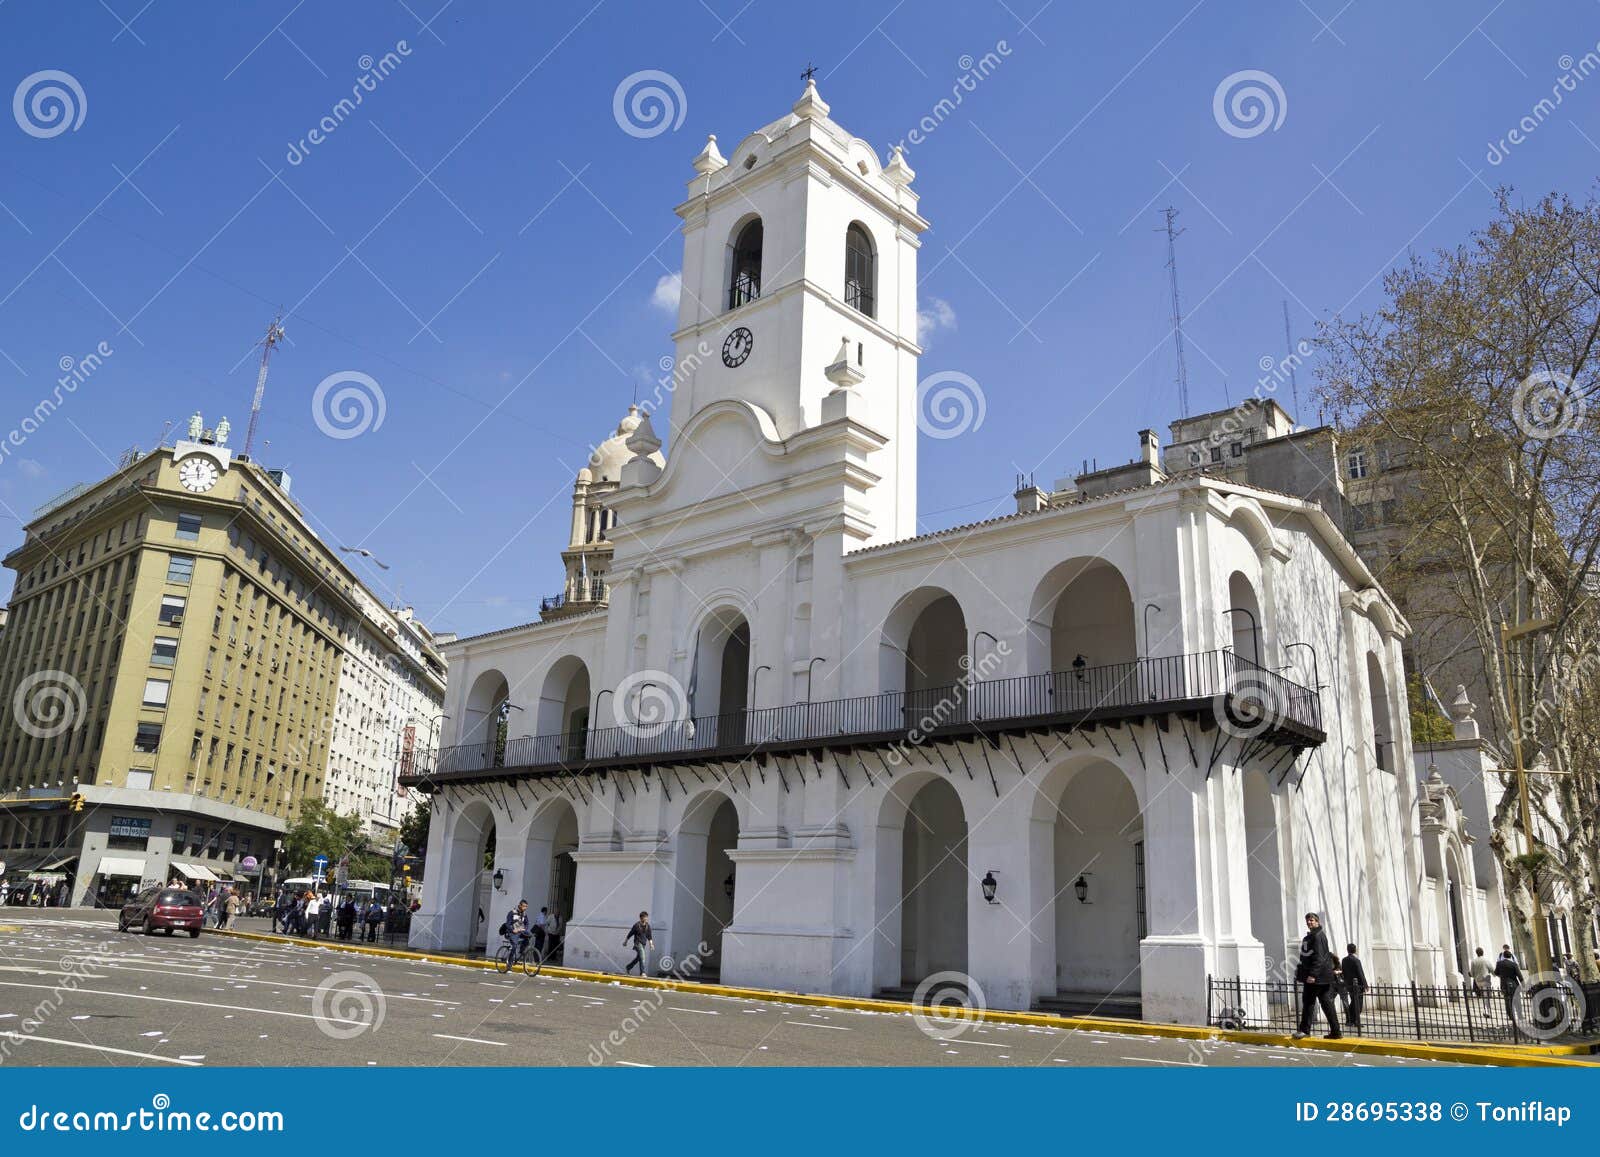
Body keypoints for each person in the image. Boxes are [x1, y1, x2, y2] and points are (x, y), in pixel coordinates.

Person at [1292, 912, 1342, 1040]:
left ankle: (1304, 1030)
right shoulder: (1314, 936)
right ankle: (1336, 1032)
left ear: (1317, 922)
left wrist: (1313, 974)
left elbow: (1319, 958)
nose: (1309, 922)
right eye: (1308, 920)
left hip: (1316, 977)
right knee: (1326, 1003)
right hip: (1322, 976)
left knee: (1308, 1002)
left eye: (1312, 920)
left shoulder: (1317, 936)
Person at [1339, 943, 1368, 1033]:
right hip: (1357, 985)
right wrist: (1365, 985)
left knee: (1353, 1002)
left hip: (1349, 985)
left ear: (1348, 950)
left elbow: (1343, 973)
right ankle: (1355, 1021)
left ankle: (1350, 1020)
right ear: (1355, 950)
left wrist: (1346, 982)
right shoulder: (1356, 960)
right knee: (1358, 1004)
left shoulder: (1344, 960)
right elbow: (1360, 973)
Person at [1494, 945, 1524, 1020]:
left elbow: (1496, 972)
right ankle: (1520, 1015)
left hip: (1504, 984)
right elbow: (1519, 975)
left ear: (1503, 955)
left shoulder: (1499, 964)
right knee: (1517, 1000)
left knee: (1507, 1000)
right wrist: (1523, 984)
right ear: (1511, 956)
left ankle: (1510, 1015)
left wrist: (1502, 975)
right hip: (1514, 984)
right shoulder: (1514, 964)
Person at [624, 911, 653, 976]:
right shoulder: (636, 925)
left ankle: (628, 967)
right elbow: (630, 934)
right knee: (642, 956)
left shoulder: (648, 926)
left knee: (639, 958)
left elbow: (649, 936)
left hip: (643, 944)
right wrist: (625, 941)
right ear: (641, 918)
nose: (645, 918)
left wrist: (651, 944)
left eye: (646, 917)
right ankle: (642, 972)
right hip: (637, 943)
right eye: (644, 917)